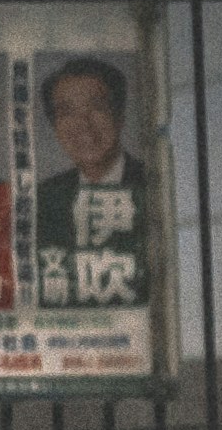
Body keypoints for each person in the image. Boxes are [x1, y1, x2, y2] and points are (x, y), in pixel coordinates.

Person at [31, 57, 150, 308]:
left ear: (120, 115)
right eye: (67, 112)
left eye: (96, 107)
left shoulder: (153, 185)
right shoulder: (43, 198)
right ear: (54, 126)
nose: (83, 124)